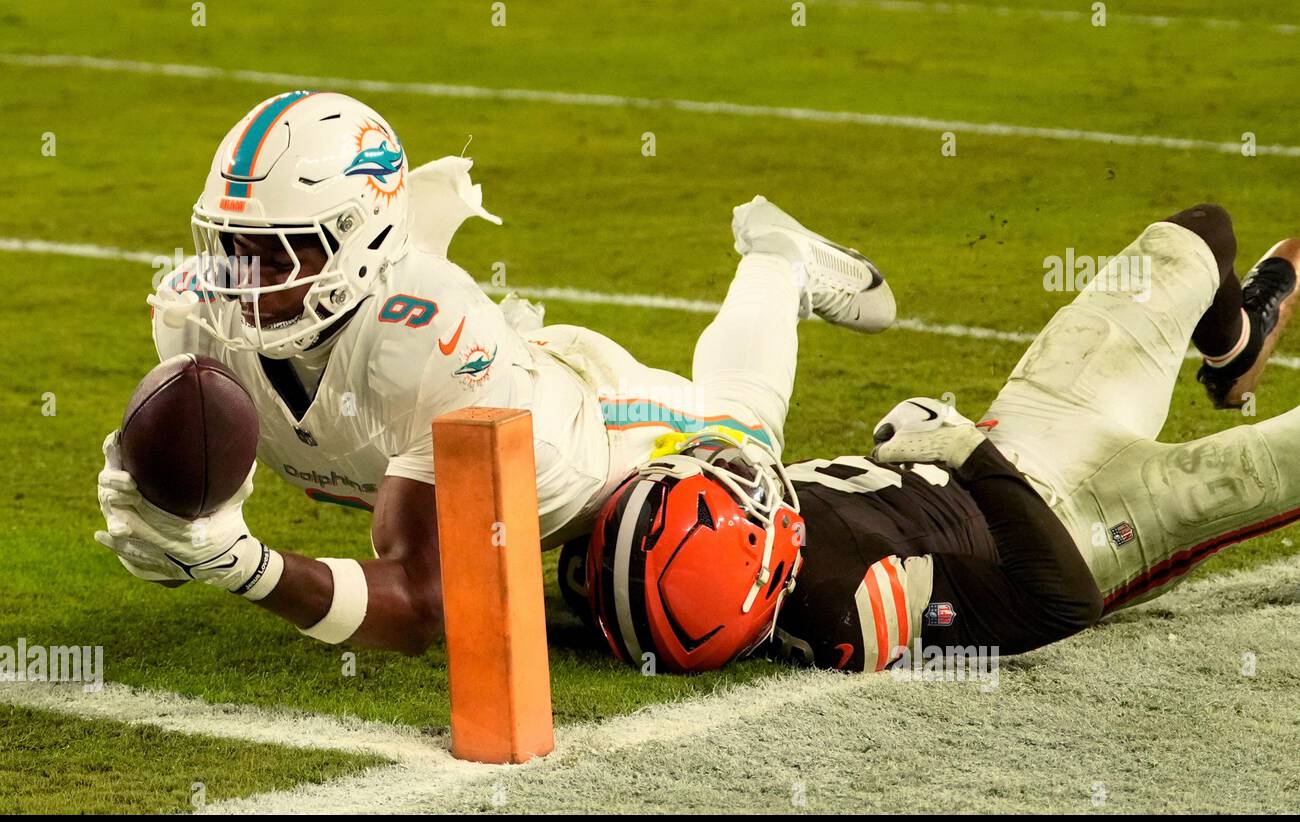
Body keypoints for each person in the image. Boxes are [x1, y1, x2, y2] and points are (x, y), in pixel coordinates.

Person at [94, 90, 896, 655]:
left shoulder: (427, 339)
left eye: (279, 251)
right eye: (233, 246)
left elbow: (422, 606)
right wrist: (172, 531)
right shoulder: (196, 318)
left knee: (741, 448)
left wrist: (249, 568)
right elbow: (202, 499)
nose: (247, 278)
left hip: (597, 433)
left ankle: (775, 260)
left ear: (361, 240)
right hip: (487, 400)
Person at [583, 204, 1300, 672]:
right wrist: (966, 452)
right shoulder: (851, 608)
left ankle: (1235, 347)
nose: (740, 471)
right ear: (762, 571)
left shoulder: (633, 571)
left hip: (1022, 430)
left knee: (1195, 239)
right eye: (745, 502)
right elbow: (1062, 601)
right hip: (1086, 523)